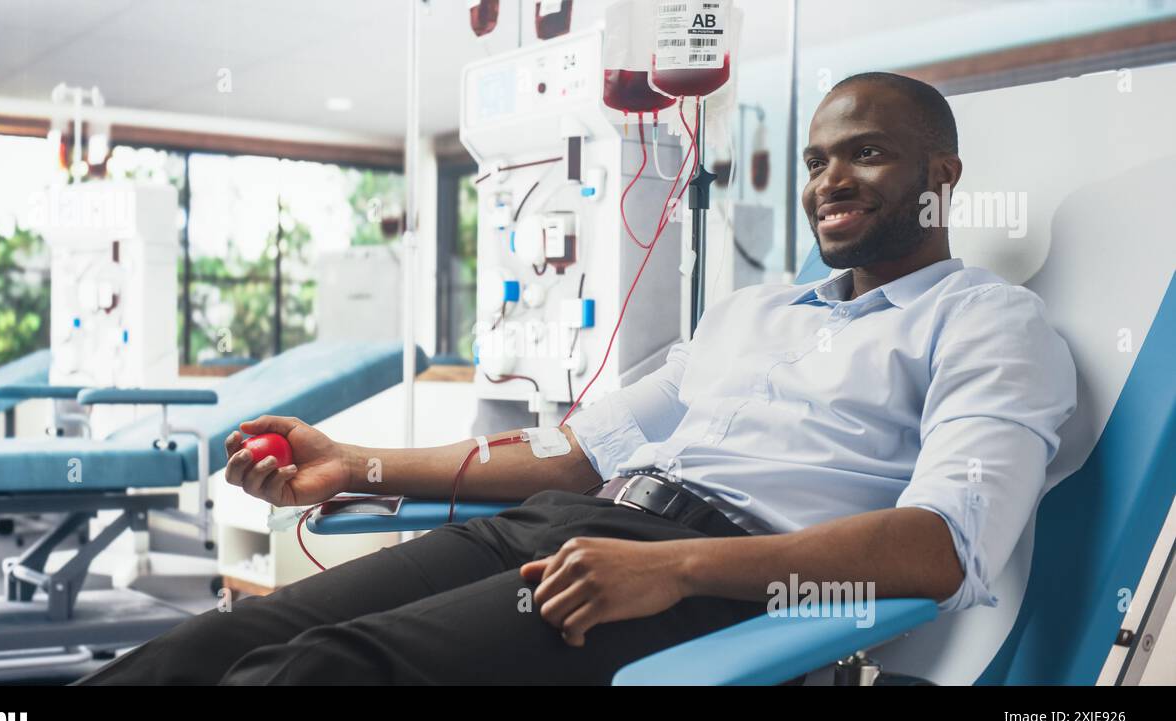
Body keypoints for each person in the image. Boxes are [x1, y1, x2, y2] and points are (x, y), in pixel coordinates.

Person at [78, 72, 1076, 686]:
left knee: (312, 677)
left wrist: (673, 569)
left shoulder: (989, 321)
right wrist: (352, 465)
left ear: (942, 176)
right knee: (206, 650)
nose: (827, 181)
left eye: (866, 154)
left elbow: (940, 547)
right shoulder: (753, 312)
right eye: (817, 160)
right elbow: (577, 453)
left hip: (712, 576)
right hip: (574, 532)